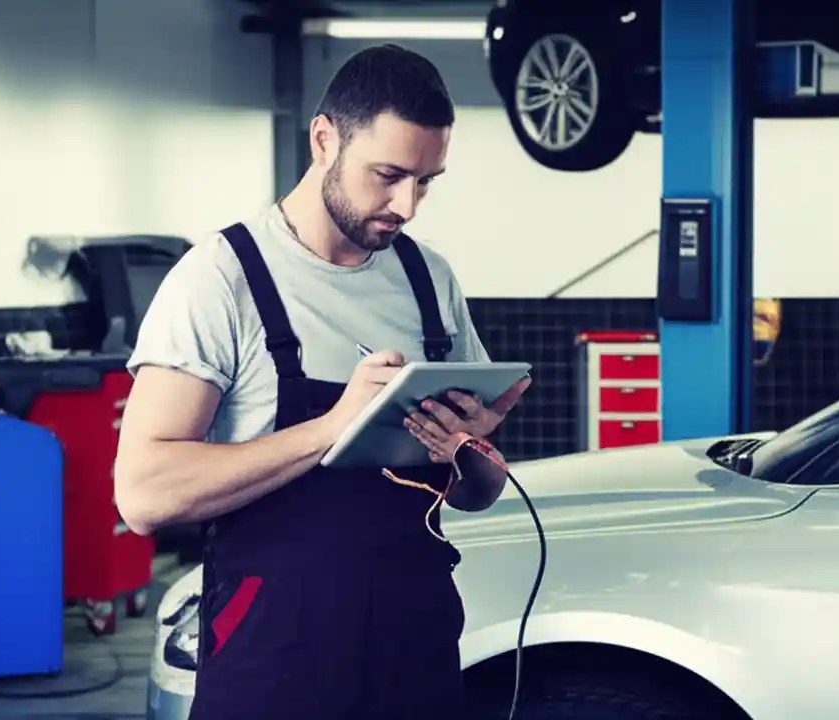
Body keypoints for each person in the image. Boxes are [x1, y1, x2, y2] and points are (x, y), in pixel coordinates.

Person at [113, 44, 529, 719]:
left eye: (427, 181)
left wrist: (471, 450)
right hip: (274, 655)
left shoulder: (430, 280)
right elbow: (144, 495)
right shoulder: (221, 280)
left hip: (412, 649)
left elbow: (476, 495)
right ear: (324, 139)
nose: (408, 205)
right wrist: (334, 427)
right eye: (388, 174)